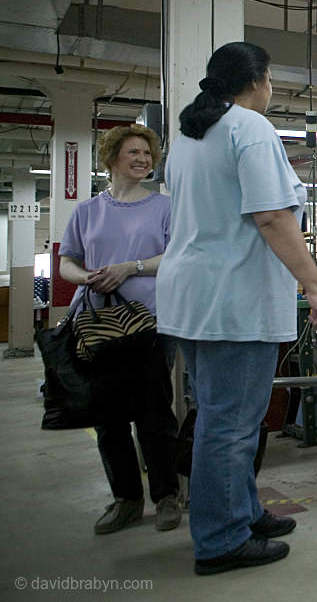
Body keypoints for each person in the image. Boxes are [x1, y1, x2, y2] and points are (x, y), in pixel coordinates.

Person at [157, 42, 317, 575]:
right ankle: (221, 539)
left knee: (223, 416)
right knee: (231, 423)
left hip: (192, 294)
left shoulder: (190, 136)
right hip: (231, 297)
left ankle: (242, 511)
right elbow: (273, 218)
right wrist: (314, 286)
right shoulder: (250, 128)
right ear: (259, 80)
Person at [58, 124, 180, 535]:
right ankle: (125, 499)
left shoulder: (164, 207)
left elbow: (177, 256)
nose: (143, 160)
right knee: (108, 417)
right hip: (96, 325)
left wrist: (133, 267)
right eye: (133, 153)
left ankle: (166, 496)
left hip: (150, 321)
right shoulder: (87, 211)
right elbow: (67, 261)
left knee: (153, 411)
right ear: (112, 159)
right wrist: (85, 276)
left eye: (147, 154)